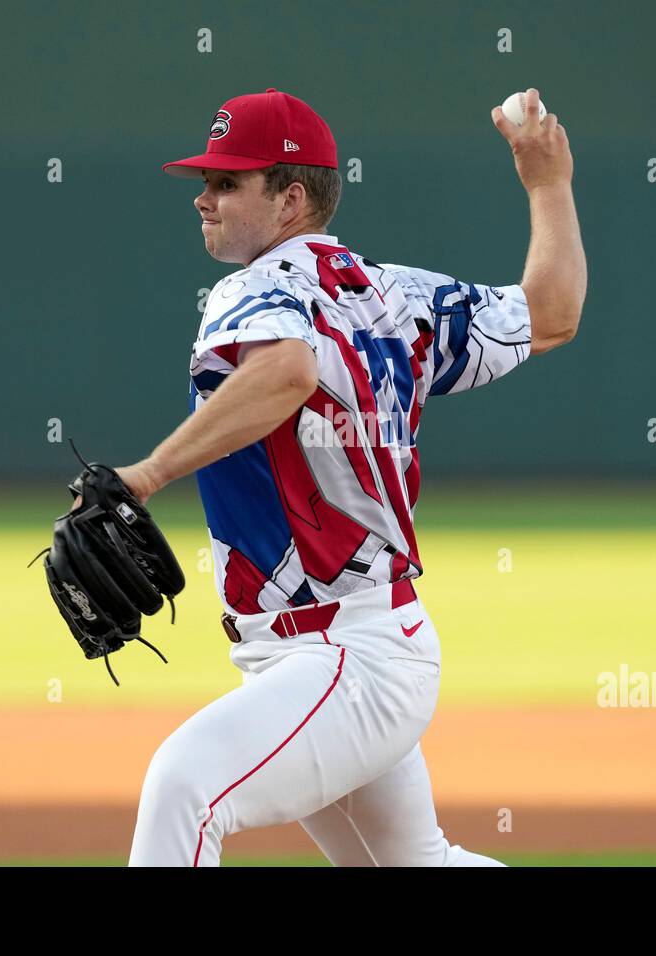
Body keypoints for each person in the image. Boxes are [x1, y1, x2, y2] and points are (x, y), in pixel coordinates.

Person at [121, 86, 586, 866]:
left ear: (290, 198)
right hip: (363, 644)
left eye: (228, 182)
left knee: (184, 787)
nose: (203, 198)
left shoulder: (251, 288)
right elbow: (551, 314)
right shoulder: (399, 295)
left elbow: (290, 368)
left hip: (344, 658)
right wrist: (548, 185)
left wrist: (146, 475)